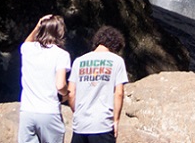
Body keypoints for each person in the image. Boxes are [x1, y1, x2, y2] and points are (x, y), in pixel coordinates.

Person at [67, 27, 128, 143]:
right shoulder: (117, 61)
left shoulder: (78, 61)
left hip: (80, 124)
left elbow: (71, 93)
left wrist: (78, 111)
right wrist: (116, 120)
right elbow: (119, 93)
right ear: (115, 45)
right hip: (103, 124)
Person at [17, 15, 71, 143]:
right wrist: (66, 94)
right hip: (49, 112)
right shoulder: (61, 54)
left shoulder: (27, 49)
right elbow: (60, 85)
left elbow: (27, 42)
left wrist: (37, 26)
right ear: (60, 33)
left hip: (27, 112)